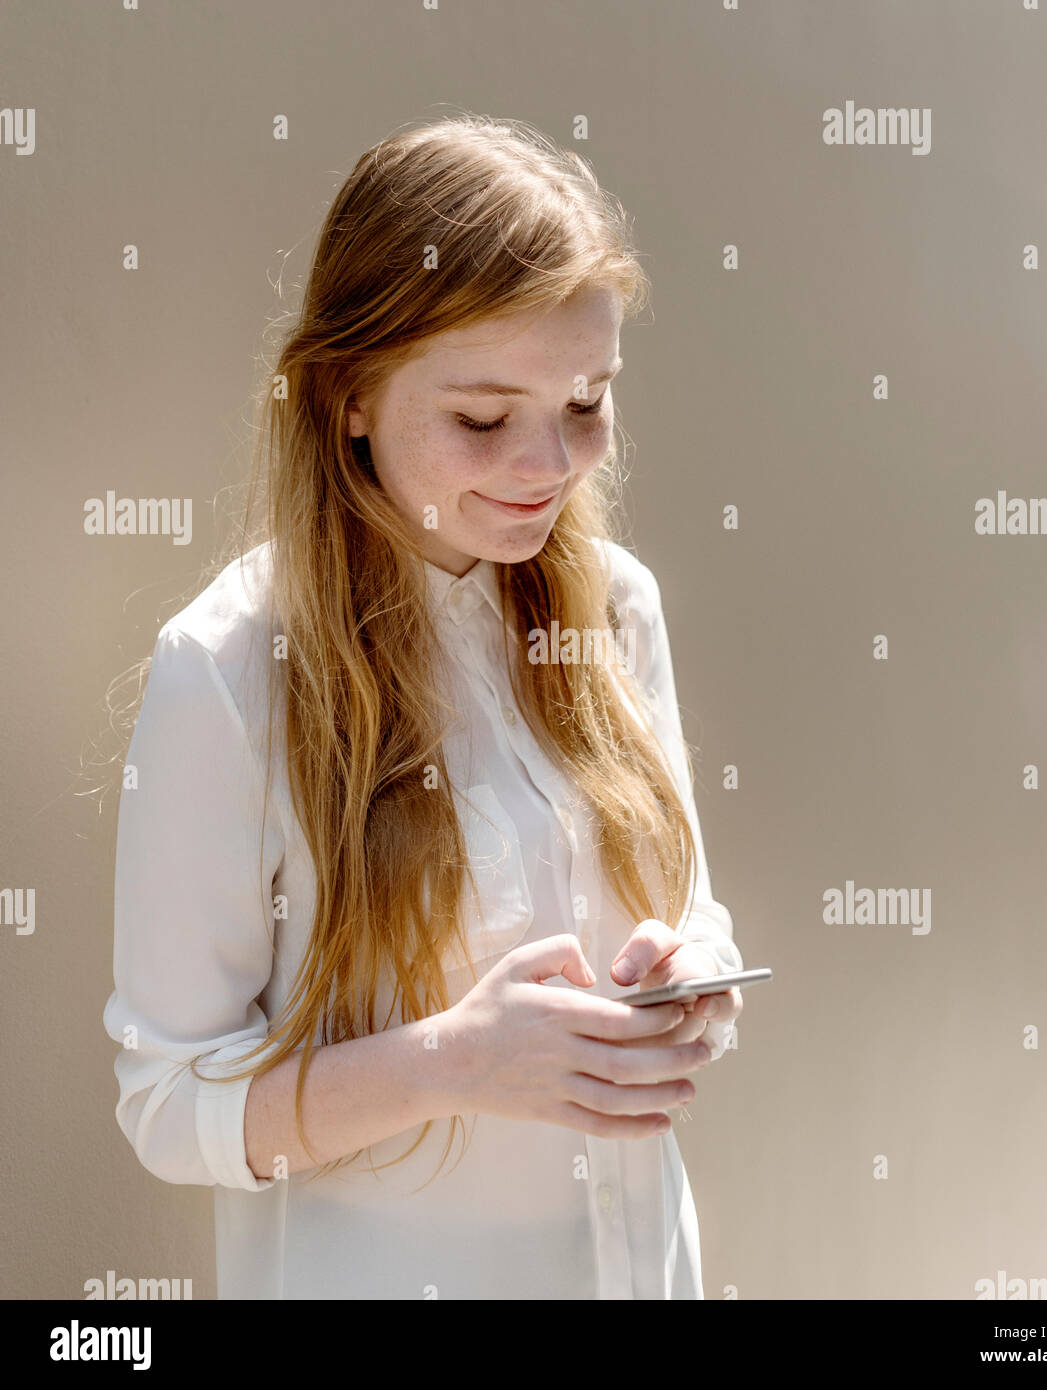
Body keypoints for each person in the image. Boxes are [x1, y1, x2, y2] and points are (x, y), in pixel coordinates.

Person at [103, 112, 745, 1300]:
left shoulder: (616, 609)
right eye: (484, 418)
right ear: (348, 398)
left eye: (588, 402)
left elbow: (693, 913)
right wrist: (453, 1061)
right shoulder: (230, 670)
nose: (547, 464)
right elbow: (169, 1101)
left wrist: (691, 979)